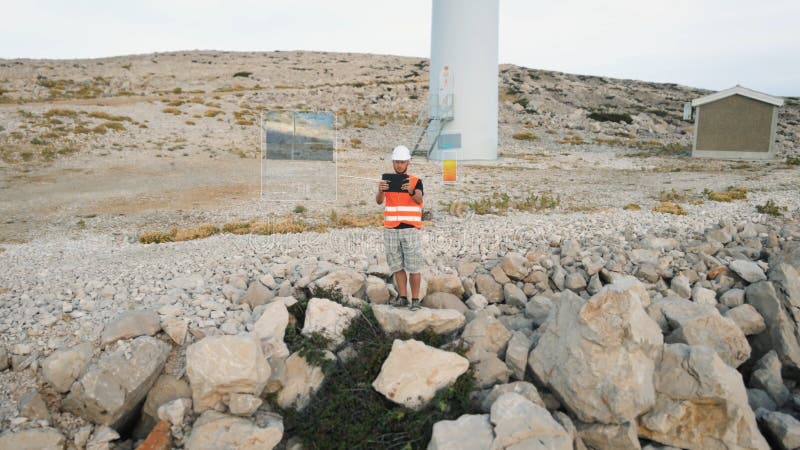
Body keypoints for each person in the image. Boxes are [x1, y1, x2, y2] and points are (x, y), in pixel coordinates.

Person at [376, 145, 424, 310]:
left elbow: (419, 199)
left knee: (414, 266)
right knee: (397, 265)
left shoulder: (416, 181)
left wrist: (411, 190)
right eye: (396, 162)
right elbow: (379, 201)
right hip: (391, 229)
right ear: (393, 162)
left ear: (408, 162)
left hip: (410, 229)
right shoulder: (387, 180)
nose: (399, 165)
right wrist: (380, 190)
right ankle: (403, 297)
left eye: (402, 162)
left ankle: (416, 300)